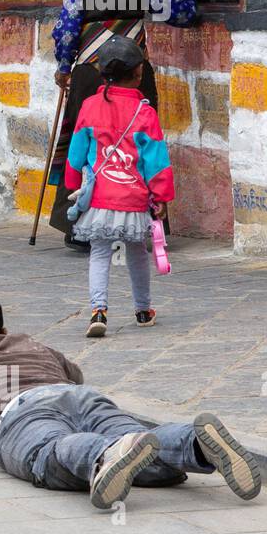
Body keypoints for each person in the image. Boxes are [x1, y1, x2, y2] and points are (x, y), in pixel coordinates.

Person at [0, 292, 261, 510]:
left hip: (19, 415)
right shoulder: (30, 343)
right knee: (142, 444)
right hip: (78, 396)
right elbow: (74, 374)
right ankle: (194, 443)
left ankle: (105, 455)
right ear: (3, 328)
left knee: (47, 453)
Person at [48, 0, 201, 253]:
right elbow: (183, 15)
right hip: (135, 77)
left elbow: (66, 32)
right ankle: (143, 222)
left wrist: (62, 67)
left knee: (84, 144)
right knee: (139, 145)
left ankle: (78, 225)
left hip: (89, 74)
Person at [64, 35, 173, 338]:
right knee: (137, 253)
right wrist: (162, 195)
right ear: (139, 74)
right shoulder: (145, 113)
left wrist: (73, 184)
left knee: (99, 254)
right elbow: (156, 160)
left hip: (99, 196)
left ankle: (99, 310)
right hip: (133, 198)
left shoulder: (88, 107)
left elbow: (76, 151)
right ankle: (142, 309)